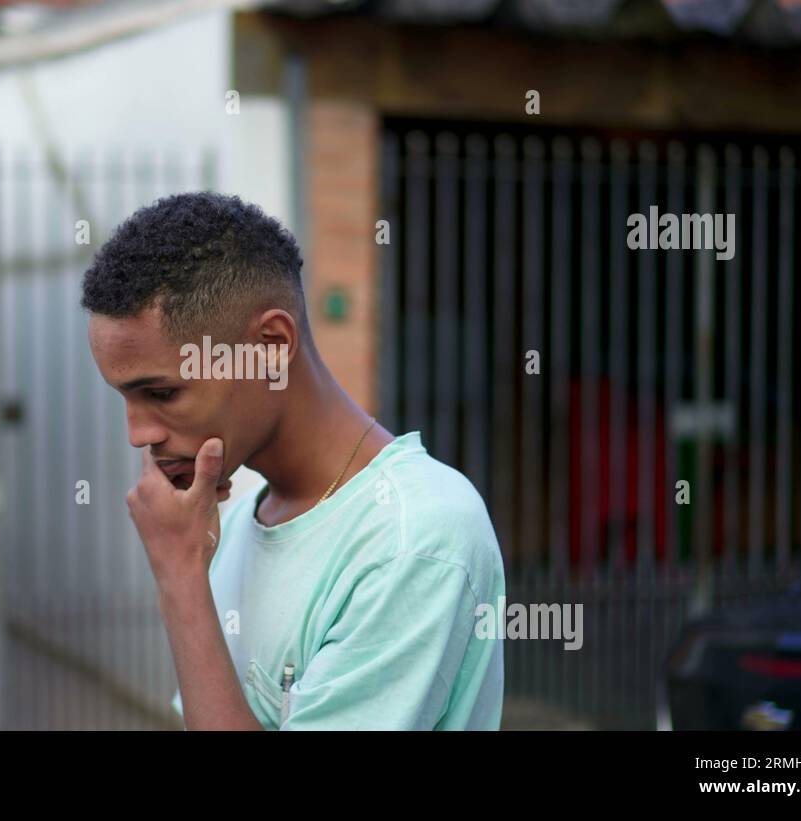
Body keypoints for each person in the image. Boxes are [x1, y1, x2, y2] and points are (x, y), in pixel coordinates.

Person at [80, 191, 504, 730]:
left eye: (161, 394)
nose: (138, 434)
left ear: (271, 346)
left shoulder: (414, 540)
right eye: (125, 398)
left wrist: (180, 581)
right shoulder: (229, 517)